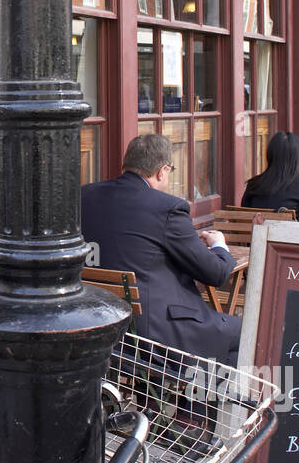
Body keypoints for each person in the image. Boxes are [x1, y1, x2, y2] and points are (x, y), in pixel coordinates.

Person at [81, 134, 240, 364]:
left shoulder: (85, 196)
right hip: (154, 338)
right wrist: (219, 245)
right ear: (162, 171)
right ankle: (202, 391)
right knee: (247, 334)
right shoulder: (168, 208)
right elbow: (216, 273)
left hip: (101, 331)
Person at [240, 131, 299, 223]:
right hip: (289, 232)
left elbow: (243, 218)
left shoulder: (253, 185)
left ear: (269, 155)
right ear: (298, 158)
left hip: (254, 232)